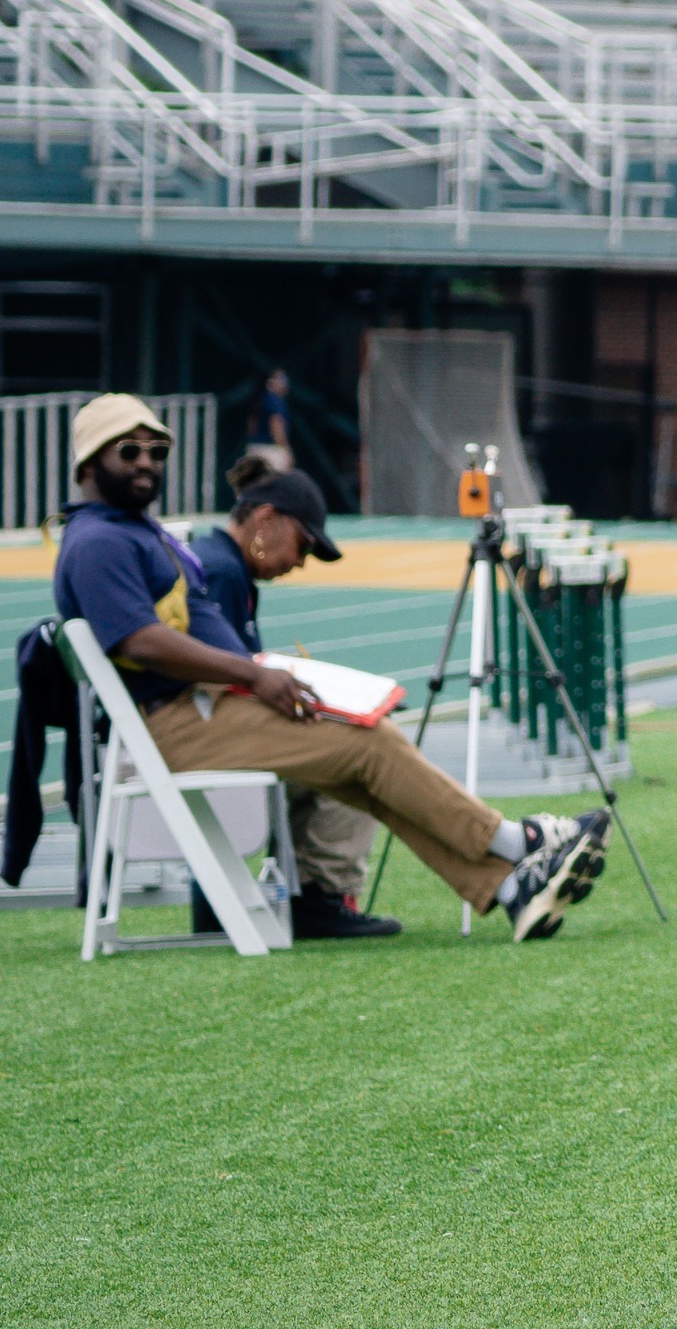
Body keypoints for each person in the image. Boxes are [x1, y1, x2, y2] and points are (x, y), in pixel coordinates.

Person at [52, 393, 608, 942]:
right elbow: (139, 640)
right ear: (88, 463)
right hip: (172, 724)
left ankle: (511, 891)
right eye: (129, 451)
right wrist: (255, 676)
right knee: (369, 745)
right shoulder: (99, 540)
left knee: (363, 757)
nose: (146, 462)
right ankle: (520, 841)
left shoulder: (130, 533)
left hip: (188, 715)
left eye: (156, 451)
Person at [184, 467, 393, 941]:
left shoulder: (221, 564)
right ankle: (319, 899)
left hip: (202, 740)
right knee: (356, 752)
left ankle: (306, 895)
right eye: (301, 545)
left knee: (341, 731)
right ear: (266, 519)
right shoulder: (220, 571)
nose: (299, 563)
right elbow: (217, 680)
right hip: (208, 747)